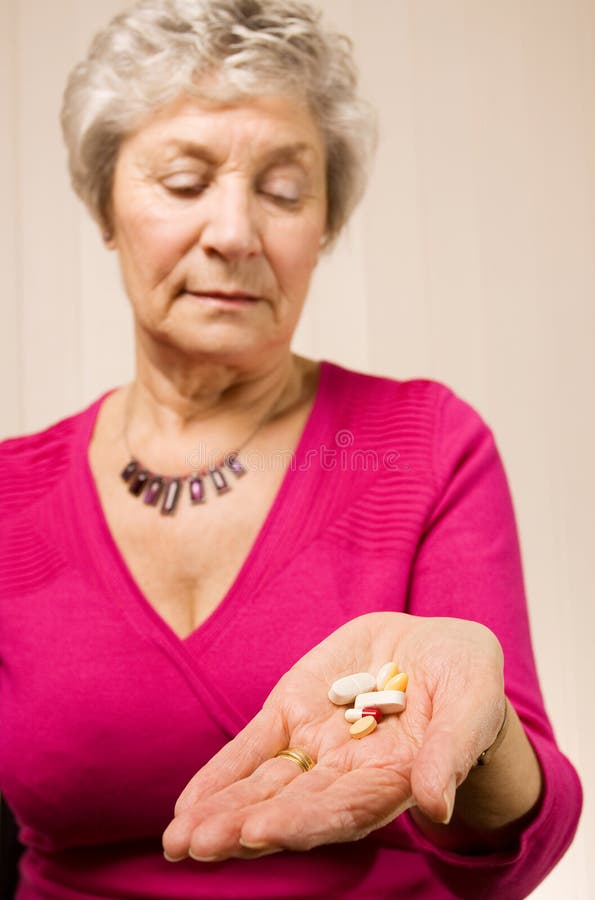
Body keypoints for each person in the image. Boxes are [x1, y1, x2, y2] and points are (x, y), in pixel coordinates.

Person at [0, 1, 582, 897]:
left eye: (281, 191)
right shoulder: (9, 494)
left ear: (323, 226)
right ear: (106, 207)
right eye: (185, 182)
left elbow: (513, 850)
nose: (234, 234)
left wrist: (482, 729)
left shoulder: (423, 444)